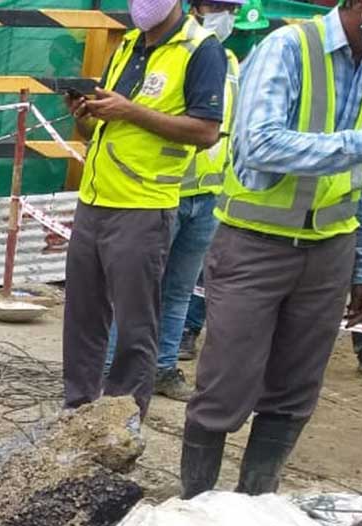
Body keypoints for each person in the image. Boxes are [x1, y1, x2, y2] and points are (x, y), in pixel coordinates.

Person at [181, 0, 362, 497]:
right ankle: (194, 507)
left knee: (294, 392)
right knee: (226, 385)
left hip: (330, 252)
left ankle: (257, 501)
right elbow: (260, 145)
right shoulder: (289, 48)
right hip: (254, 244)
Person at [61, 0, 226, 418]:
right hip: (95, 198)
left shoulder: (201, 48)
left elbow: (207, 131)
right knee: (82, 316)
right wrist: (84, 114)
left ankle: (124, 418)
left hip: (144, 206)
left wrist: (130, 111)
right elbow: (101, 127)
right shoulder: (128, 44)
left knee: (135, 324)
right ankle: (77, 410)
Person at [106, 0, 246, 402]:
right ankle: (113, 373)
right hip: (162, 192)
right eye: (222, 6)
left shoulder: (228, 62)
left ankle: (164, 367)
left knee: (180, 291)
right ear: (198, 6)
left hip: (208, 195)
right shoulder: (163, 53)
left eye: (233, 9)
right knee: (136, 294)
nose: (227, 15)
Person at [179, 0, 268, 363]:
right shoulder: (196, 54)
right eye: (224, 10)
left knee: (200, 275)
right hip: (174, 188)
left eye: (237, 18)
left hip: (223, 186)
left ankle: (181, 339)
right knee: (162, 285)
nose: (236, 30)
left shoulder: (240, 63)